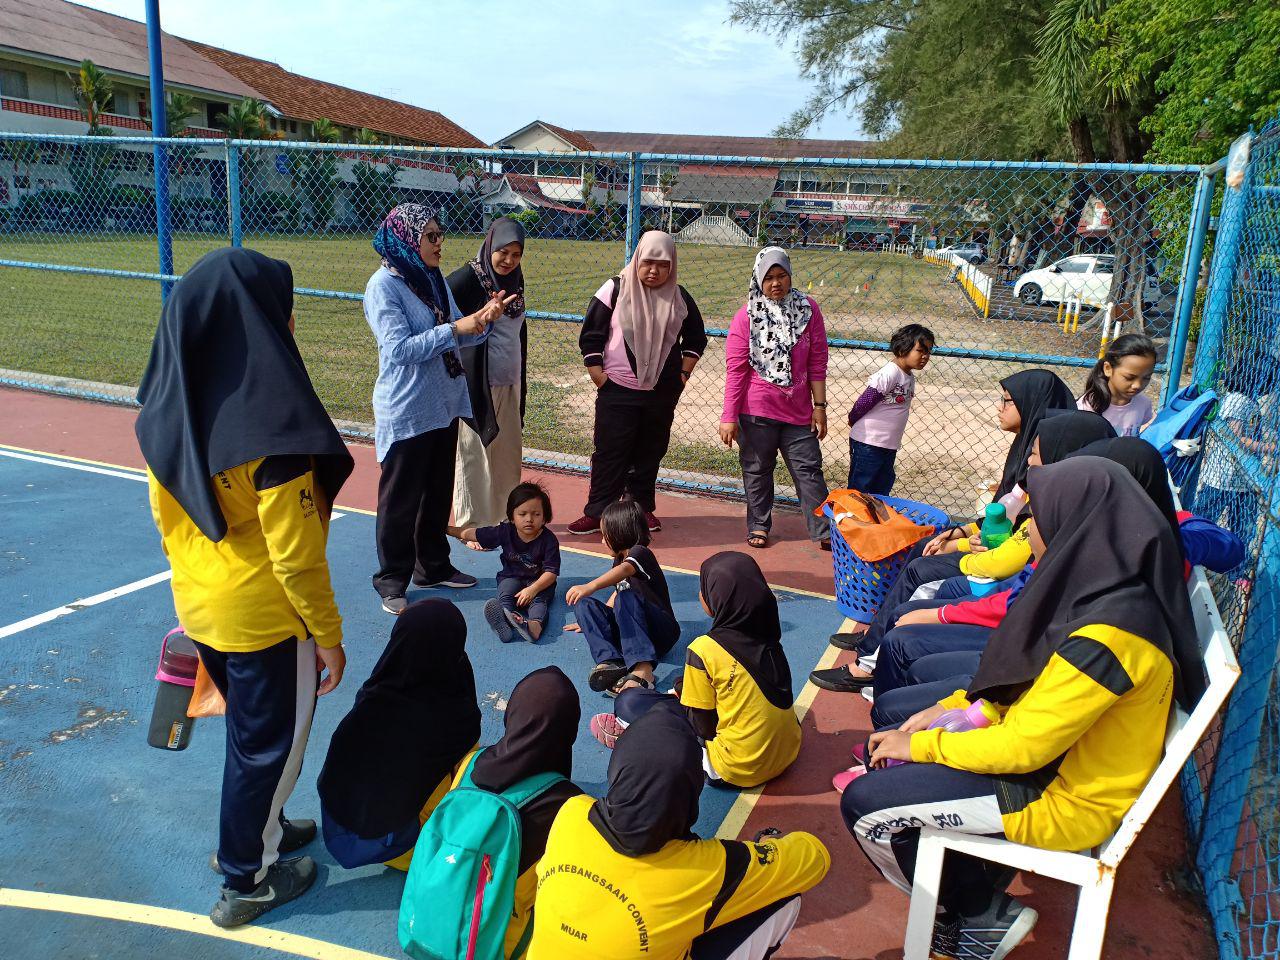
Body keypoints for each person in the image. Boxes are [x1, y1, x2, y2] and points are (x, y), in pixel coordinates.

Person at [840, 458, 1206, 959]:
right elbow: (1027, 686)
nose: (1026, 529)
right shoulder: (1100, 592)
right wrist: (953, 708)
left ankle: (973, 913)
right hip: (1049, 764)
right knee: (896, 747)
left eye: (1036, 518)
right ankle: (973, 889)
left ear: (1074, 527)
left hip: (1060, 796)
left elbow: (1022, 749)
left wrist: (923, 745)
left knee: (867, 806)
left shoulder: (1109, 637)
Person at [136, 247, 354, 928]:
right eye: (280, 310)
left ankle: (262, 827)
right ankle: (246, 879)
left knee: (250, 737)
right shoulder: (273, 426)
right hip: (266, 618)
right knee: (270, 746)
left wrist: (200, 588)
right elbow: (296, 559)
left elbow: (165, 517)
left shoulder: (172, 405)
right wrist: (328, 636)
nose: (289, 322)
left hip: (202, 603)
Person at [527, 704, 831, 960]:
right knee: (782, 899)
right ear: (691, 788)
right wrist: (771, 845)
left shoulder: (572, 813)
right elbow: (815, 857)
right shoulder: (710, 866)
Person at [364, 203, 516, 615]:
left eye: (440, 235)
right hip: (408, 409)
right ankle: (391, 580)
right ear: (406, 239)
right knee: (401, 500)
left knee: (435, 495)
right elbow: (398, 350)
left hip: (443, 405)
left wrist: (483, 321)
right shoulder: (383, 286)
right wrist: (455, 328)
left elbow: (460, 335)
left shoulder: (431, 279)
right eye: (430, 236)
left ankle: (432, 567)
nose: (439, 244)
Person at [592, 552, 801, 789]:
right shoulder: (768, 634)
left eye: (704, 588)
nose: (700, 594)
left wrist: (682, 699)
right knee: (689, 691)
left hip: (733, 768)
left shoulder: (704, 649)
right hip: (787, 753)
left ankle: (639, 735)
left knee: (630, 701)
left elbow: (702, 728)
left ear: (716, 598)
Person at [317, 599, 480, 871]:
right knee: (470, 762)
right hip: (401, 845)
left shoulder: (375, 691)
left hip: (340, 826)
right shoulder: (455, 716)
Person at [568, 230, 708, 536]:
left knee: (649, 451)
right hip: (617, 389)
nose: (654, 271)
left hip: (661, 393)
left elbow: (696, 338)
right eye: (648, 263)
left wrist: (682, 374)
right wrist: (598, 374)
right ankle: (598, 511)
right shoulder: (615, 289)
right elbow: (592, 333)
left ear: (672, 266)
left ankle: (639, 507)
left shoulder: (679, 297)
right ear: (637, 260)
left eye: (663, 264)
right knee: (610, 452)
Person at [447, 666, 584, 955]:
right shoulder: (571, 804)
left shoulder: (472, 763)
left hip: (442, 909)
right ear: (569, 728)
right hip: (503, 942)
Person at [719, 247, 830, 550]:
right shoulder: (746, 317)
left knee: (808, 470)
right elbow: (736, 371)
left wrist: (819, 407)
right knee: (757, 470)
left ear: (790, 276)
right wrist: (729, 417)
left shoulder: (808, 310)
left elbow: (817, 360)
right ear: (758, 279)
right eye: (768, 278)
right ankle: (758, 525)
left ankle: (824, 531)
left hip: (798, 411)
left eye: (782, 276)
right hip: (757, 410)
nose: (776, 283)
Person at [449, 217, 530, 529]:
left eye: (516, 254)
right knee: (475, 452)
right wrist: (479, 317)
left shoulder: (514, 281)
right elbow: (440, 318)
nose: (509, 260)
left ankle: (502, 517)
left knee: (506, 453)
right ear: (490, 246)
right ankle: (472, 523)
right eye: (503, 252)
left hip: (509, 379)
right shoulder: (469, 278)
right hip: (476, 383)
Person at [565, 499, 680, 696]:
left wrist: (590, 586)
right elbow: (618, 590)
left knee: (625, 597)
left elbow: (626, 572)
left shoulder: (641, 553)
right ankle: (612, 661)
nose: (602, 541)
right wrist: (594, 621)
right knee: (584, 605)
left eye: (605, 535)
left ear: (619, 532)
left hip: (660, 633)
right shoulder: (619, 560)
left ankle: (644, 669)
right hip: (633, 632)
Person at [448, 481, 561, 642]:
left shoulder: (549, 540)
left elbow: (551, 573)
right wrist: (447, 529)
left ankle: (534, 627)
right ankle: (505, 619)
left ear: (544, 518)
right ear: (512, 517)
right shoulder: (505, 531)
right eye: (522, 514)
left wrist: (533, 589)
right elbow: (474, 534)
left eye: (536, 514)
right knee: (506, 594)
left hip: (539, 582)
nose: (529, 519)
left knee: (538, 602)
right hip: (511, 577)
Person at [845, 324, 935, 495]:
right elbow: (865, 401)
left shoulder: (908, 376)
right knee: (861, 488)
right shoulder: (890, 373)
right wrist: (852, 419)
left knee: (882, 486)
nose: (925, 356)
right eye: (920, 351)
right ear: (902, 349)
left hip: (887, 444)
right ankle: (853, 512)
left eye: (929, 352)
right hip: (868, 442)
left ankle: (875, 512)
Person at [1077, 333, 1157, 436]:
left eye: (1146, 378)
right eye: (1129, 378)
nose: (1137, 385)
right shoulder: (1087, 406)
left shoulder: (1144, 404)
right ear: (1108, 369)